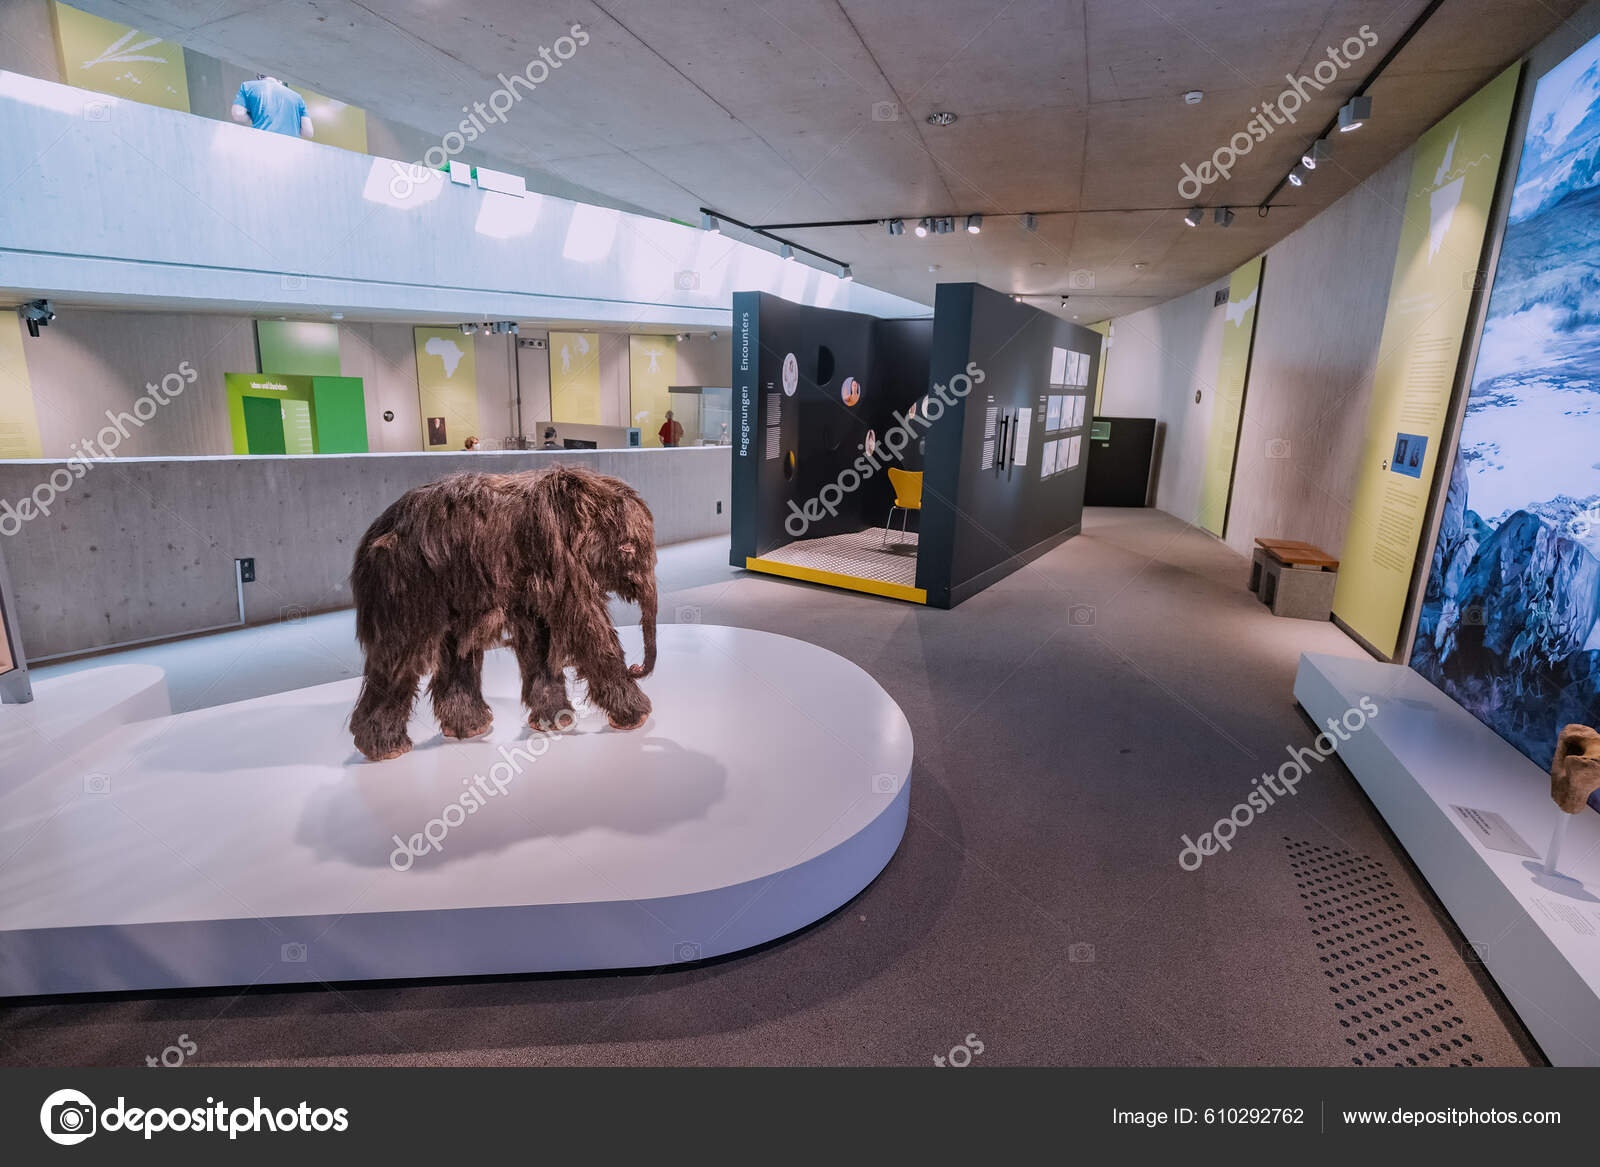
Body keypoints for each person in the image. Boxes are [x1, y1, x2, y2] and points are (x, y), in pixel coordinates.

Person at [231, 75, 314, 139]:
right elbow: (308, 132)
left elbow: (238, 114)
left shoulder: (248, 86)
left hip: (263, 141)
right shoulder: (297, 97)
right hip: (291, 148)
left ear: (259, 75)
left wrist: (253, 115)